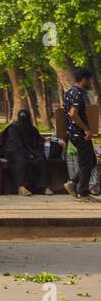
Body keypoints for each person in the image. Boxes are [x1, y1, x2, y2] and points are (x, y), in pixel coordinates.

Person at [0, 109, 52, 195]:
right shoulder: (13, 128)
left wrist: (35, 150)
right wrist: (28, 154)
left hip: (31, 152)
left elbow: (37, 141)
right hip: (15, 151)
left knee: (41, 159)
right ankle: (21, 187)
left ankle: (44, 187)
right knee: (20, 161)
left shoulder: (32, 129)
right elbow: (15, 144)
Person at [62, 67, 97, 201]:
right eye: (89, 80)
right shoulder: (78, 93)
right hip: (79, 133)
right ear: (84, 79)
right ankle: (83, 193)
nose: (89, 83)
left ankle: (73, 182)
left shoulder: (68, 92)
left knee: (91, 160)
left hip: (73, 132)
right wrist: (86, 129)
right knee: (86, 162)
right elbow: (73, 114)